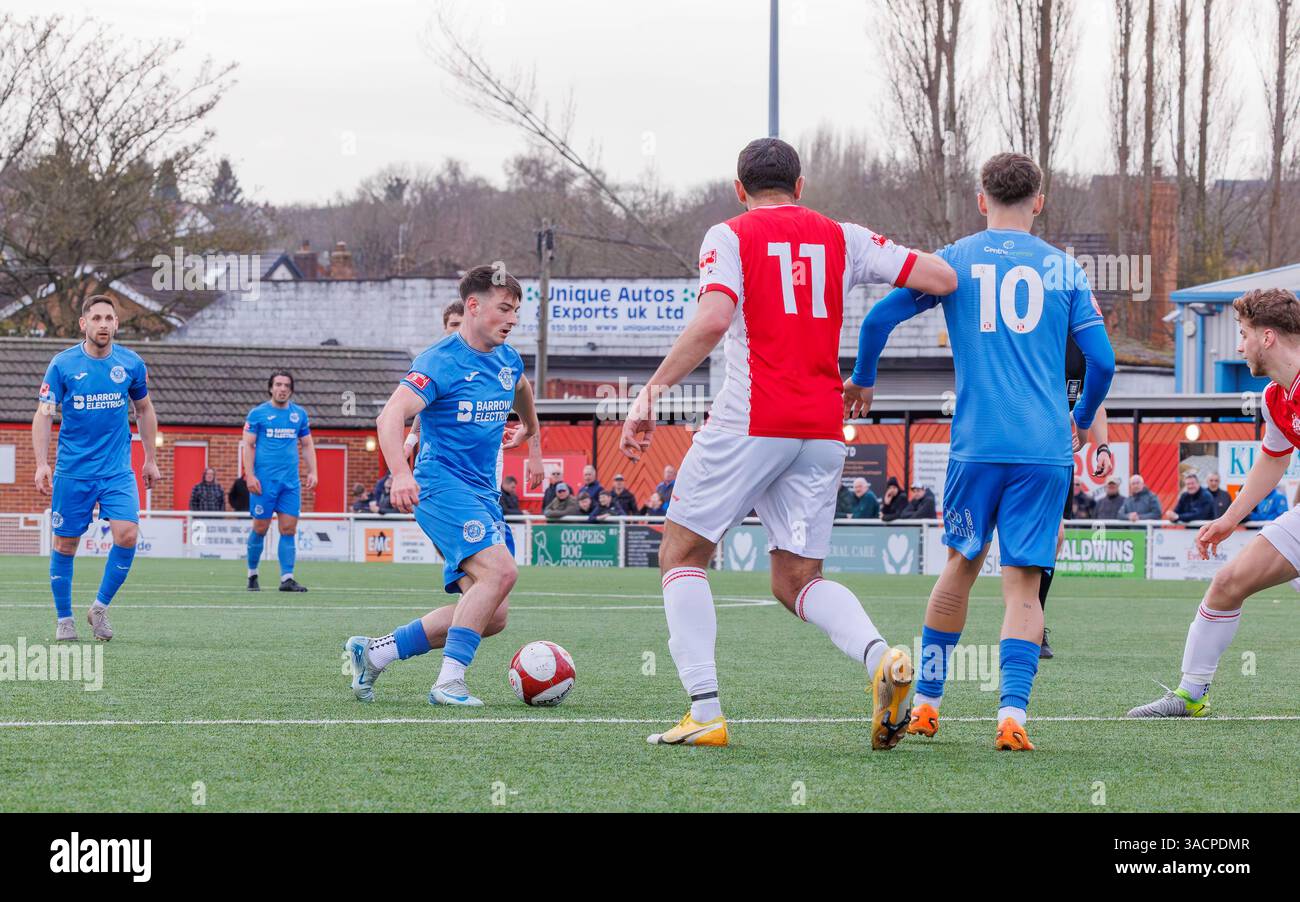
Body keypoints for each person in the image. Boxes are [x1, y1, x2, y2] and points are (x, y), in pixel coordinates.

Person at [620, 136, 956, 750]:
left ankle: (705, 711)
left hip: (750, 421)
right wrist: (871, 353)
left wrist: (650, 394)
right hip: (822, 429)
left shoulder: (728, 235)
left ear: (738, 189)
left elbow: (716, 318)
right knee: (797, 579)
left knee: (682, 554)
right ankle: (880, 656)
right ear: (801, 187)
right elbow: (941, 277)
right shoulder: (843, 236)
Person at [848, 152, 1114, 750]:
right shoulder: (1065, 270)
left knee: (959, 567)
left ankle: (926, 705)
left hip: (977, 446)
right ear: (1039, 202)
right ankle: (1011, 719)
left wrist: (864, 377)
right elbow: (1103, 362)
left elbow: (875, 323)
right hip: (1043, 449)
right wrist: (1078, 417)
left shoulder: (953, 262)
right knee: (1023, 585)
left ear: (980, 199)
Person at [344, 264, 543, 708]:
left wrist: (529, 433)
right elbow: (389, 416)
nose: (511, 319)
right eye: (504, 309)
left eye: (516, 312)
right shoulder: (440, 361)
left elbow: (521, 387)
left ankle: (376, 652)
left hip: (483, 495)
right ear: (473, 307)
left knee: (494, 615)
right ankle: (449, 682)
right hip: (440, 486)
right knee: (501, 573)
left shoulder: (508, 358)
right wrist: (400, 472)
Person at [1129, 288, 1300, 719]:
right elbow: (1272, 461)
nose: (1238, 347)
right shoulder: (1275, 398)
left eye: (1242, 335)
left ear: (1267, 337)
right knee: (1226, 584)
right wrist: (1227, 519)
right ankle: (1190, 695)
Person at [33, 294, 160, 642]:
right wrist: (42, 464)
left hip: (117, 470)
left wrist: (150, 458)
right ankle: (64, 620)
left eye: (109, 318)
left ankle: (100, 608)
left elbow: (144, 410)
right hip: (73, 471)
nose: (103, 324)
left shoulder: (131, 364)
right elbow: (44, 415)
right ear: (83, 324)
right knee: (65, 545)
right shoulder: (62, 364)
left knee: (128, 535)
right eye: (97, 318)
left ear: (117, 324)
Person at [243, 370, 317, 592]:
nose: (282, 388)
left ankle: (287, 578)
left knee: (288, 529)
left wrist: (313, 471)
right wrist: (249, 474)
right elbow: (248, 445)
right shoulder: (258, 414)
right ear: (270, 388)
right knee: (260, 527)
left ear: (291, 389)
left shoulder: (299, 415)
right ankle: (252, 574)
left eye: (286, 385)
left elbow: (306, 444)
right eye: (278, 384)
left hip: (290, 484)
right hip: (263, 483)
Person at [402, 300, 465, 466]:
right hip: (441, 459)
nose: (458, 329)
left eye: (463, 324)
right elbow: (424, 402)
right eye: (454, 324)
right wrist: (410, 441)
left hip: (483, 457)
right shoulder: (434, 360)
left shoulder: (492, 358)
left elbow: (521, 388)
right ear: (445, 328)